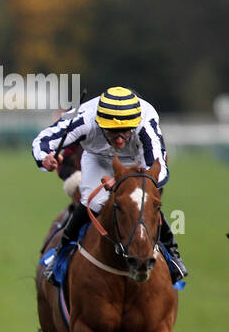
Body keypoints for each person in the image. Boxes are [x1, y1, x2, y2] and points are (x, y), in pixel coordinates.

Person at [32, 86, 186, 282]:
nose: (120, 140)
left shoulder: (146, 122)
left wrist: (125, 179)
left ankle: (172, 255)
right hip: (97, 157)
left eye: (125, 132)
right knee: (93, 202)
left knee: (143, 203)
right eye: (113, 132)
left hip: (137, 162)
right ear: (99, 123)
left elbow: (160, 169)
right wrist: (45, 157)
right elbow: (43, 140)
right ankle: (62, 253)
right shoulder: (84, 118)